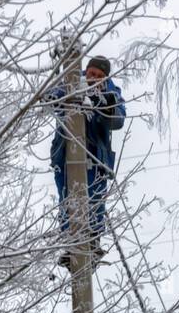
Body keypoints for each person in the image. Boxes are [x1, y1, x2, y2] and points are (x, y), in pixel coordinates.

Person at [49, 55, 126, 267]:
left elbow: (118, 119)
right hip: (66, 153)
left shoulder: (110, 91)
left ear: (106, 78)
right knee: (68, 196)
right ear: (86, 71)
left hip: (95, 156)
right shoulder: (72, 83)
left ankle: (92, 242)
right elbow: (51, 95)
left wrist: (105, 105)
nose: (94, 79)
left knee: (94, 197)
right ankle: (70, 243)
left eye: (100, 76)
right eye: (92, 74)